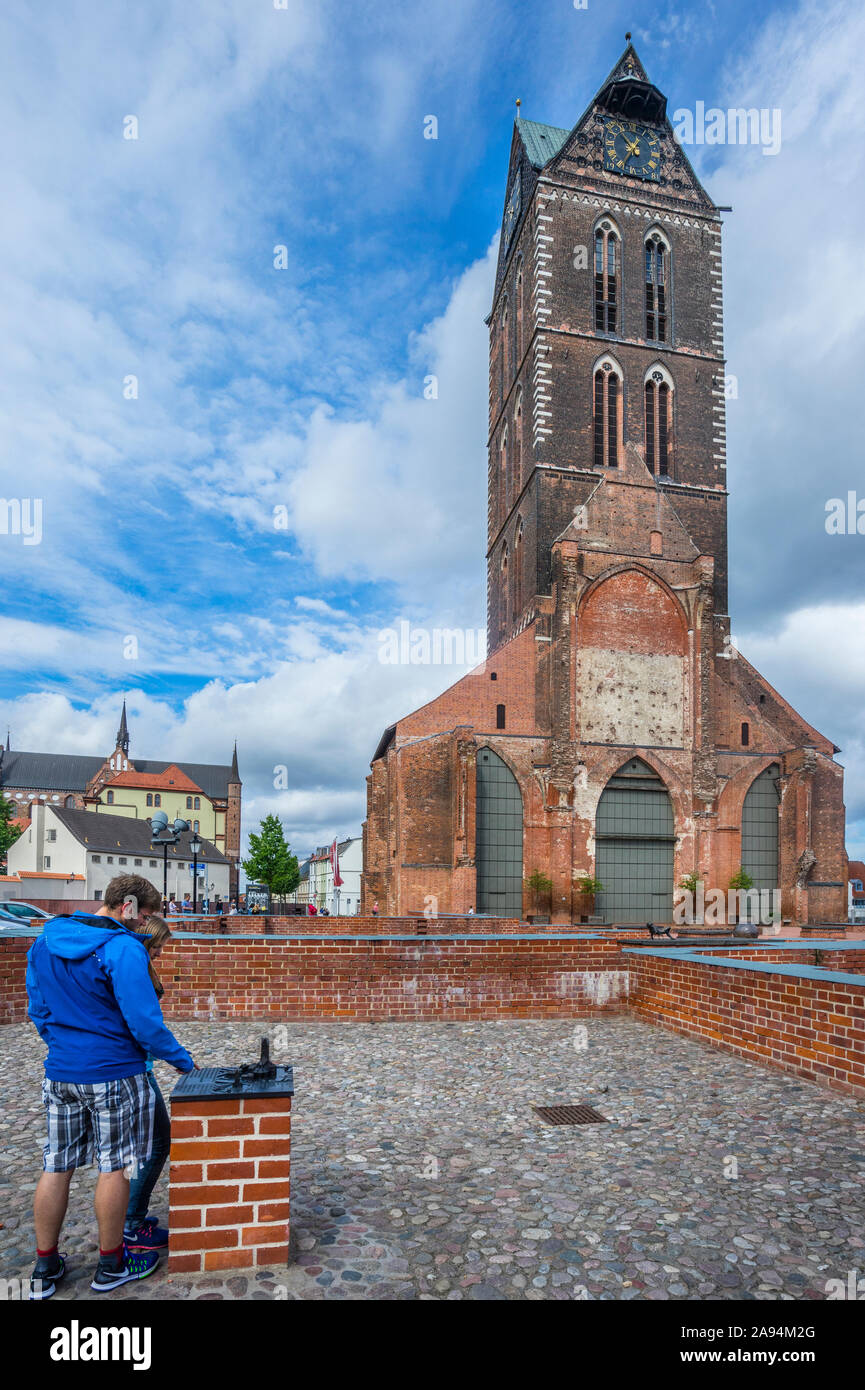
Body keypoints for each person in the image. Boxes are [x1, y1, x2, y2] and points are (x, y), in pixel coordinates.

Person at [25, 875, 194, 1299]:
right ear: (130, 907)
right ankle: (110, 1264)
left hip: (62, 1071)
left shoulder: (44, 942)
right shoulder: (122, 948)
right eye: (148, 917)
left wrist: (65, 1046)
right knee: (114, 1166)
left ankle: (45, 1267)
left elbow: (38, 1008)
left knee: (56, 1164)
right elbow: (145, 1023)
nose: (146, 928)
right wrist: (183, 1062)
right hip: (114, 1072)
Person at [122, 915, 174, 1254]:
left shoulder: (136, 964)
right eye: (157, 947)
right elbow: (146, 1026)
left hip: (140, 1065)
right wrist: (182, 1060)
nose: (159, 953)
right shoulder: (132, 967)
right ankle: (130, 1224)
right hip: (133, 1067)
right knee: (156, 1142)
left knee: (144, 1146)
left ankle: (131, 1218)